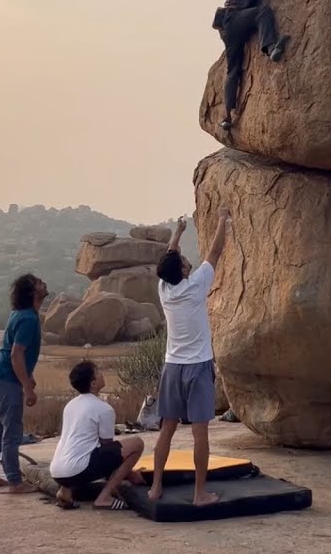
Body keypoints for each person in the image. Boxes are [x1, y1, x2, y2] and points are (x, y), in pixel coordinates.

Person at [147, 208, 231, 506]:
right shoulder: (195, 286)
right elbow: (215, 252)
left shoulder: (164, 289)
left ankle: (155, 487)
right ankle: (200, 494)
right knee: (200, 433)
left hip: (173, 367)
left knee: (166, 430)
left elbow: (169, 257)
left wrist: (178, 232)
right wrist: (222, 220)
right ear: (183, 271)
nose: (186, 261)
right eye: (183, 262)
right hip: (197, 367)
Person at [213, 0, 301, 131]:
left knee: (233, 69)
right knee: (263, 11)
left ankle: (227, 117)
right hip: (237, 18)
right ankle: (270, 48)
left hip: (228, 24)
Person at [0, 273, 47, 493]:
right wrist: (27, 387)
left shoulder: (20, 314)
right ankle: (15, 481)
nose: (43, 284)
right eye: (38, 283)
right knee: (12, 430)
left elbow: (14, 353)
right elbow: (16, 355)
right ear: (32, 292)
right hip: (7, 379)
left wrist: (27, 377)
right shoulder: (28, 318)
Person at [49, 360, 145, 511]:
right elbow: (109, 449)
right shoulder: (104, 409)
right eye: (98, 373)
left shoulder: (70, 405)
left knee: (78, 447)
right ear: (93, 383)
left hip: (56, 471)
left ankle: (64, 492)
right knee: (137, 444)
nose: (102, 375)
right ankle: (104, 496)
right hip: (78, 471)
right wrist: (130, 473)